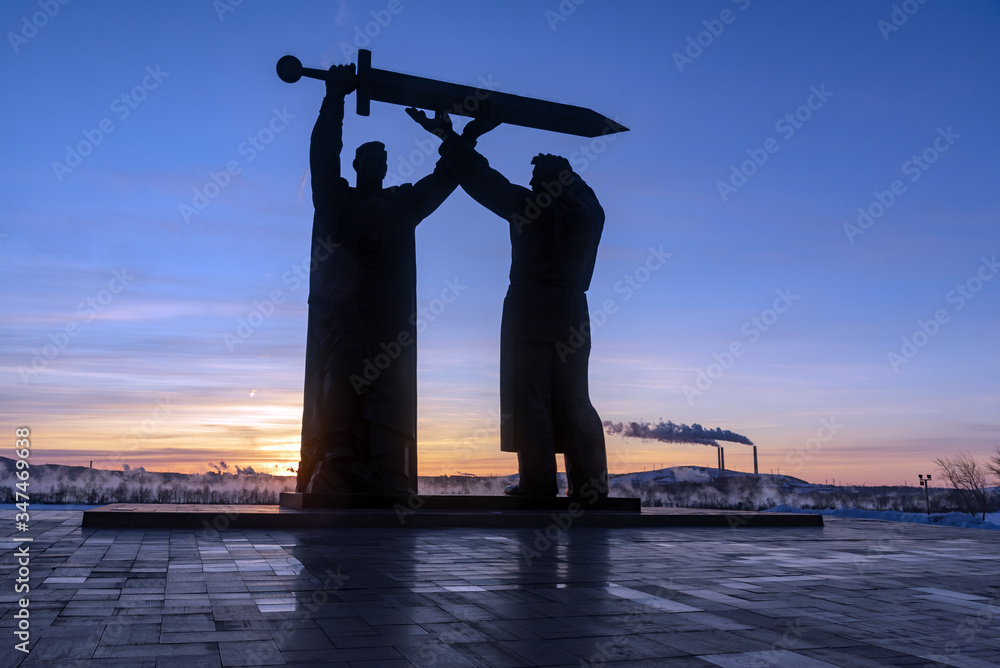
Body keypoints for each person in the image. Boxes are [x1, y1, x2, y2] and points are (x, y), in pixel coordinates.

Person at [407, 106, 609, 499]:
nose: (529, 183)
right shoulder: (590, 214)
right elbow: (583, 193)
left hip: (531, 308)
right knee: (575, 398)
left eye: (535, 178)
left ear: (546, 183)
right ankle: (591, 486)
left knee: (531, 398)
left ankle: (539, 483)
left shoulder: (530, 208)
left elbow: (480, 178)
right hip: (573, 311)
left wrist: (450, 136)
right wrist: (565, 172)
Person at [296, 66, 459, 496]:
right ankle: (335, 456)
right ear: (356, 164)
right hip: (343, 309)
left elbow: (446, 178)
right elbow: (322, 155)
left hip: (386, 315)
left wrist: (453, 136)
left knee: (388, 385)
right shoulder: (336, 200)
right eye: (368, 160)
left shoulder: (401, 204)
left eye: (381, 161)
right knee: (342, 368)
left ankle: (383, 468)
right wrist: (335, 99)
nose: (375, 166)